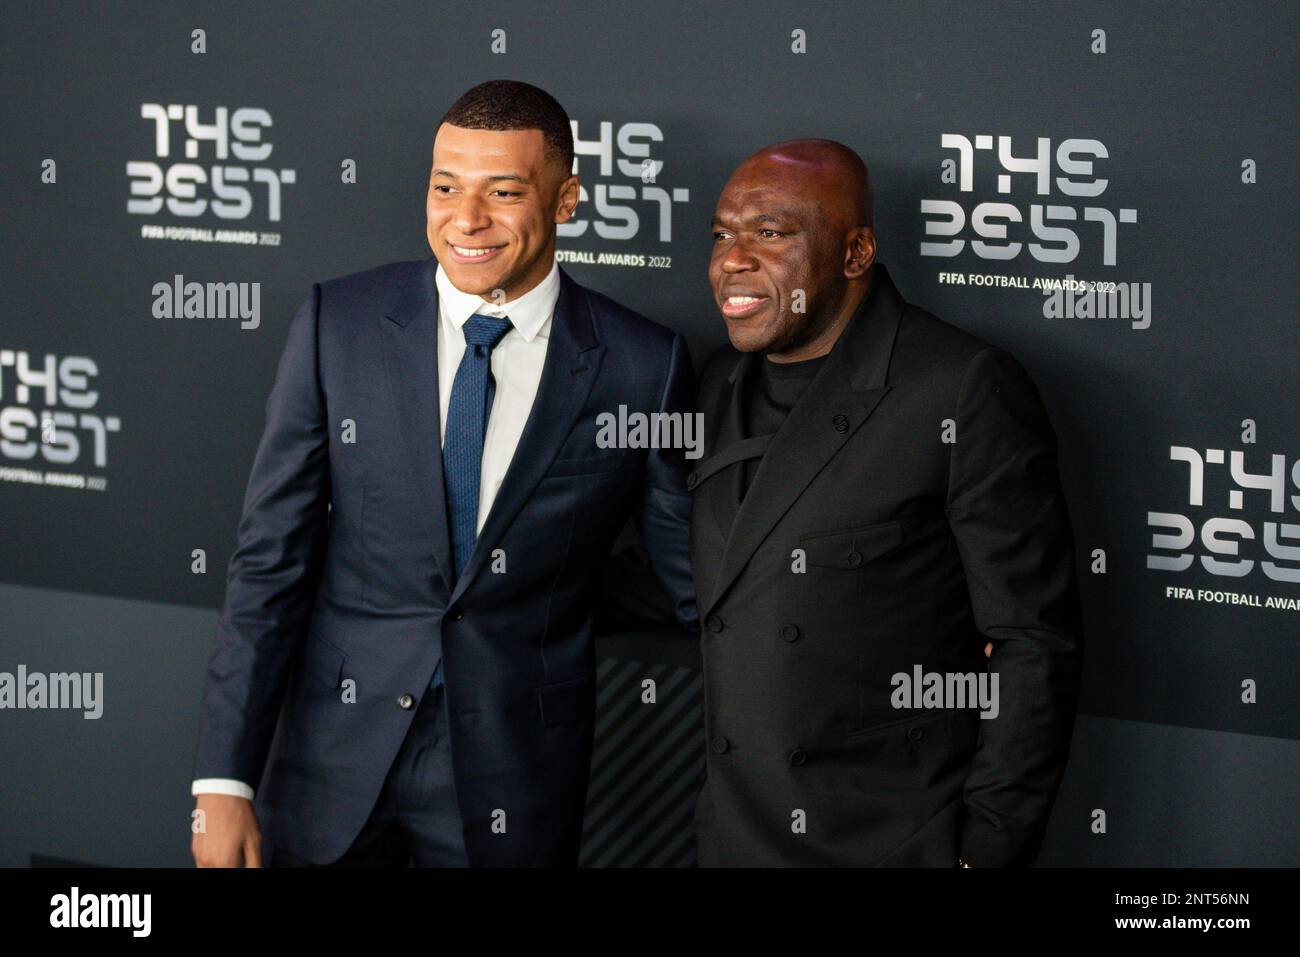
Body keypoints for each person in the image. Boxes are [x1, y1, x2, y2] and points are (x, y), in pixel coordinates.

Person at [190, 80, 696, 868]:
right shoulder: (340, 324)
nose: (466, 221)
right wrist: (224, 779)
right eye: (445, 187)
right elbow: (269, 561)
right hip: (330, 763)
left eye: (503, 192)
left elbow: (689, 574)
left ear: (566, 201)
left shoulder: (641, 363)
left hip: (514, 780)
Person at [688, 139, 1084, 866]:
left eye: (770, 233)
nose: (732, 260)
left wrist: (985, 850)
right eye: (721, 234)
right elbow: (714, 588)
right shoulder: (716, 384)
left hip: (889, 843)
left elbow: (1033, 643)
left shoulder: (959, 388)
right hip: (734, 839)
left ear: (856, 252)